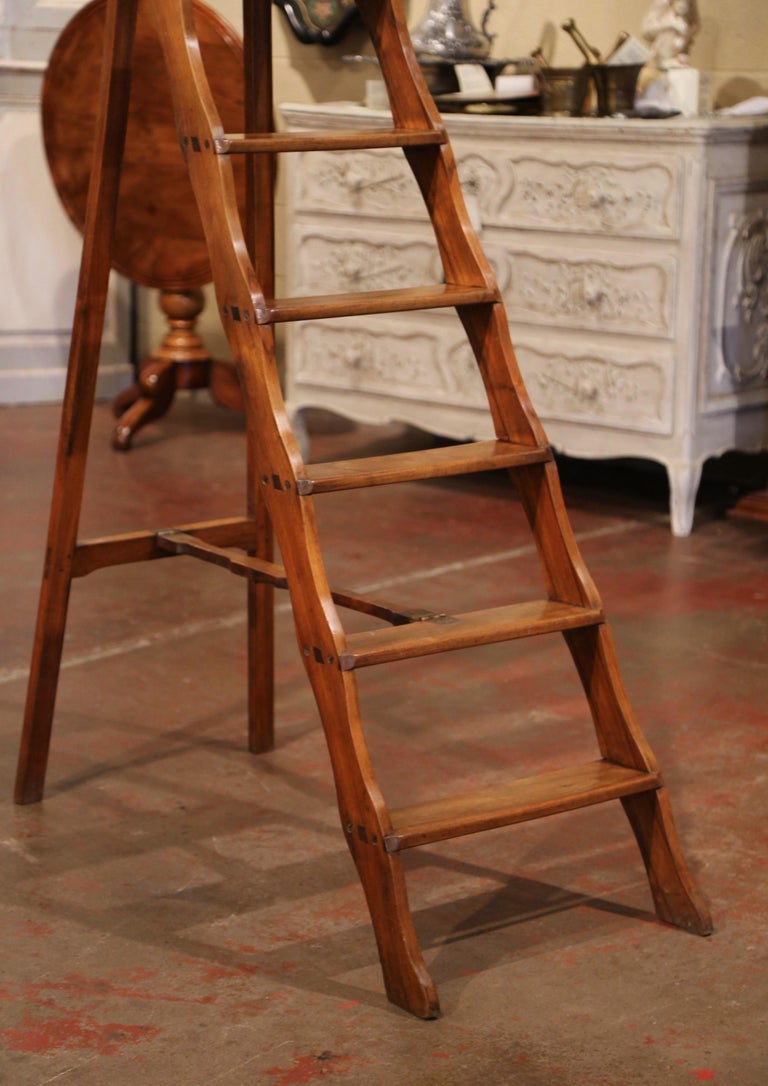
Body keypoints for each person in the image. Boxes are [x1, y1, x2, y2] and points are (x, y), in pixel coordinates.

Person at [642, 0, 701, 66]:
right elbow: (646, 31)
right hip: (657, 59)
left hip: (675, 61)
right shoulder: (662, 4)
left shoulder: (689, 14)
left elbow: (693, 26)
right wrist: (669, 24)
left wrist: (685, 35)